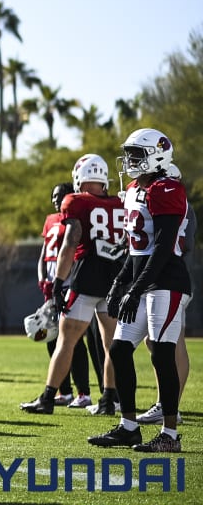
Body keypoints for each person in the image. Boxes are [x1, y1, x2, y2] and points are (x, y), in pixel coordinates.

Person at [89, 128, 191, 453]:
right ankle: (129, 427)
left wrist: (135, 289)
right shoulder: (134, 190)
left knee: (161, 352)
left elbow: (161, 248)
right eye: (129, 154)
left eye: (136, 154)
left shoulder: (167, 187)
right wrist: (119, 284)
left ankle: (170, 434)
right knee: (119, 349)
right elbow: (135, 250)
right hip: (143, 281)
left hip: (168, 281)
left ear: (157, 155)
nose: (130, 160)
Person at [20, 155, 122, 416]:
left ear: (79, 176)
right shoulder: (120, 202)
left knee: (66, 341)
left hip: (86, 276)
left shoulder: (75, 201)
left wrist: (58, 282)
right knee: (110, 344)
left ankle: (48, 398)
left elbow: (70, 242)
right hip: (115, 279)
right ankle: (109, 399)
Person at [134, 161, 194, 426]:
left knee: (171, 344)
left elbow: (182, 243)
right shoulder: (160, 200)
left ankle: (171, 407)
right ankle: (166, 404)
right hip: (161, 278)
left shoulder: (174, 202)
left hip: (173, 278)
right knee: (157, 342)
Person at [31, 182, 101, 410]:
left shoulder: (76, 218)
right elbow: (44, 253)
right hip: (52, 286)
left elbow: (72, 251)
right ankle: (64, 391)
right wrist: (43, 279)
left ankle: (84, 392)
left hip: (70, 284)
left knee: (74, 340)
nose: (55, 200)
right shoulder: (51, 219)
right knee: (52, 338)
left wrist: (63, 281)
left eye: (60, 196)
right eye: (53, 196)